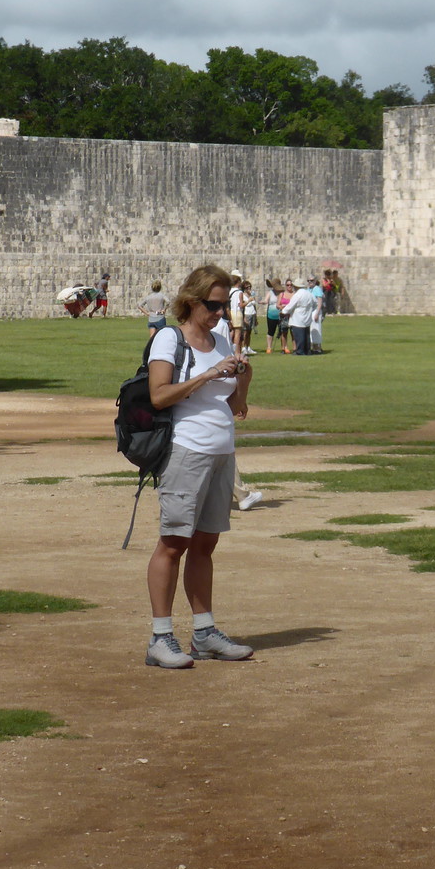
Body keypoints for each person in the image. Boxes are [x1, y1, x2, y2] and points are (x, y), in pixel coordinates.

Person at [143, 265, 254, 669]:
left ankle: (204, 633)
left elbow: (234, 408)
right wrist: (208, 374)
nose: (221, 313)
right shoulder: (169, 339)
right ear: (191, 301)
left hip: (221, 452)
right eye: (213, 305)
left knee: (206, 543)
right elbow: (159, 396)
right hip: (185, 451)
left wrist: (243, 377)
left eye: (224, 306)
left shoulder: (221, 339)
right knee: (174, 542)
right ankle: (160, 637)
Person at [285, 278, 317, 355]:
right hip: (307, 318)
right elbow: (315, 304)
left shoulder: (297, 295)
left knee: (299, 337)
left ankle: (300, 351)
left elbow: (290, 306)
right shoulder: (309, 294)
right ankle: (307, 350)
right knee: (306, 336)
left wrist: (283, 312)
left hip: (297, 319)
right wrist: (310, 311)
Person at [308, 276, 326, 353]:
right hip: (310, 311)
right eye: (308, 280)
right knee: (311, 329)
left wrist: (317, 313)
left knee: (316, 328)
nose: (309, 282)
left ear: (315, 281)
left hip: (316, 311)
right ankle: (313, 347)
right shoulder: (308, 289)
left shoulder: (317, 289)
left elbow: (320, 302)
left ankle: (317, 347)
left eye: (311, 280)